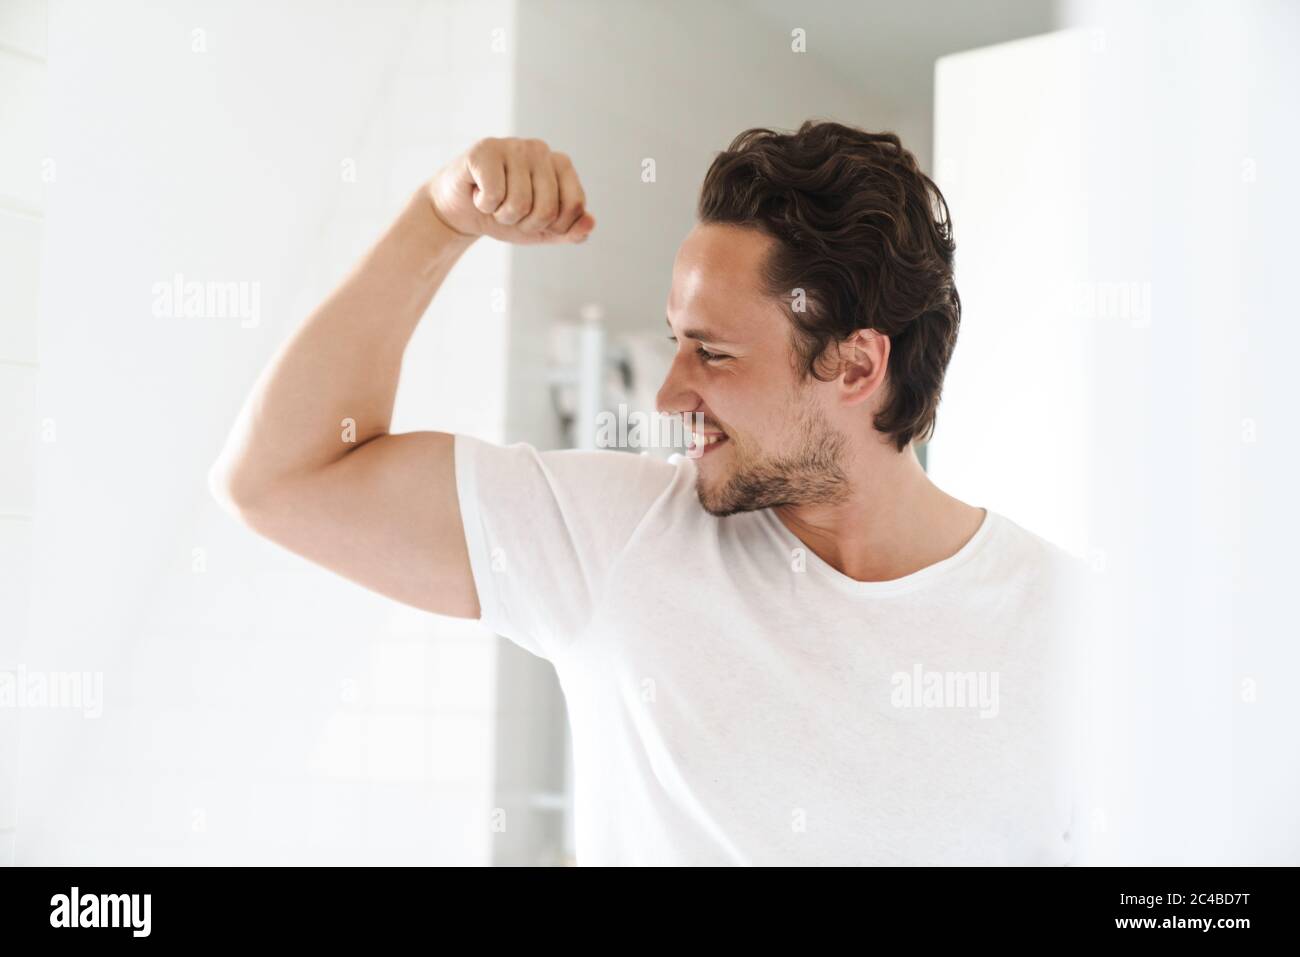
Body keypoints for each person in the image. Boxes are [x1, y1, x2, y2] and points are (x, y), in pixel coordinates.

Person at [210, 120, 1090, 866]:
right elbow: (283, 477)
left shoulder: (1075, 629)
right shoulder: (615, 535)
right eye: (675, 342)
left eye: (711, 352)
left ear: (855, 364)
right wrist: (439, 220)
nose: (668, 394)